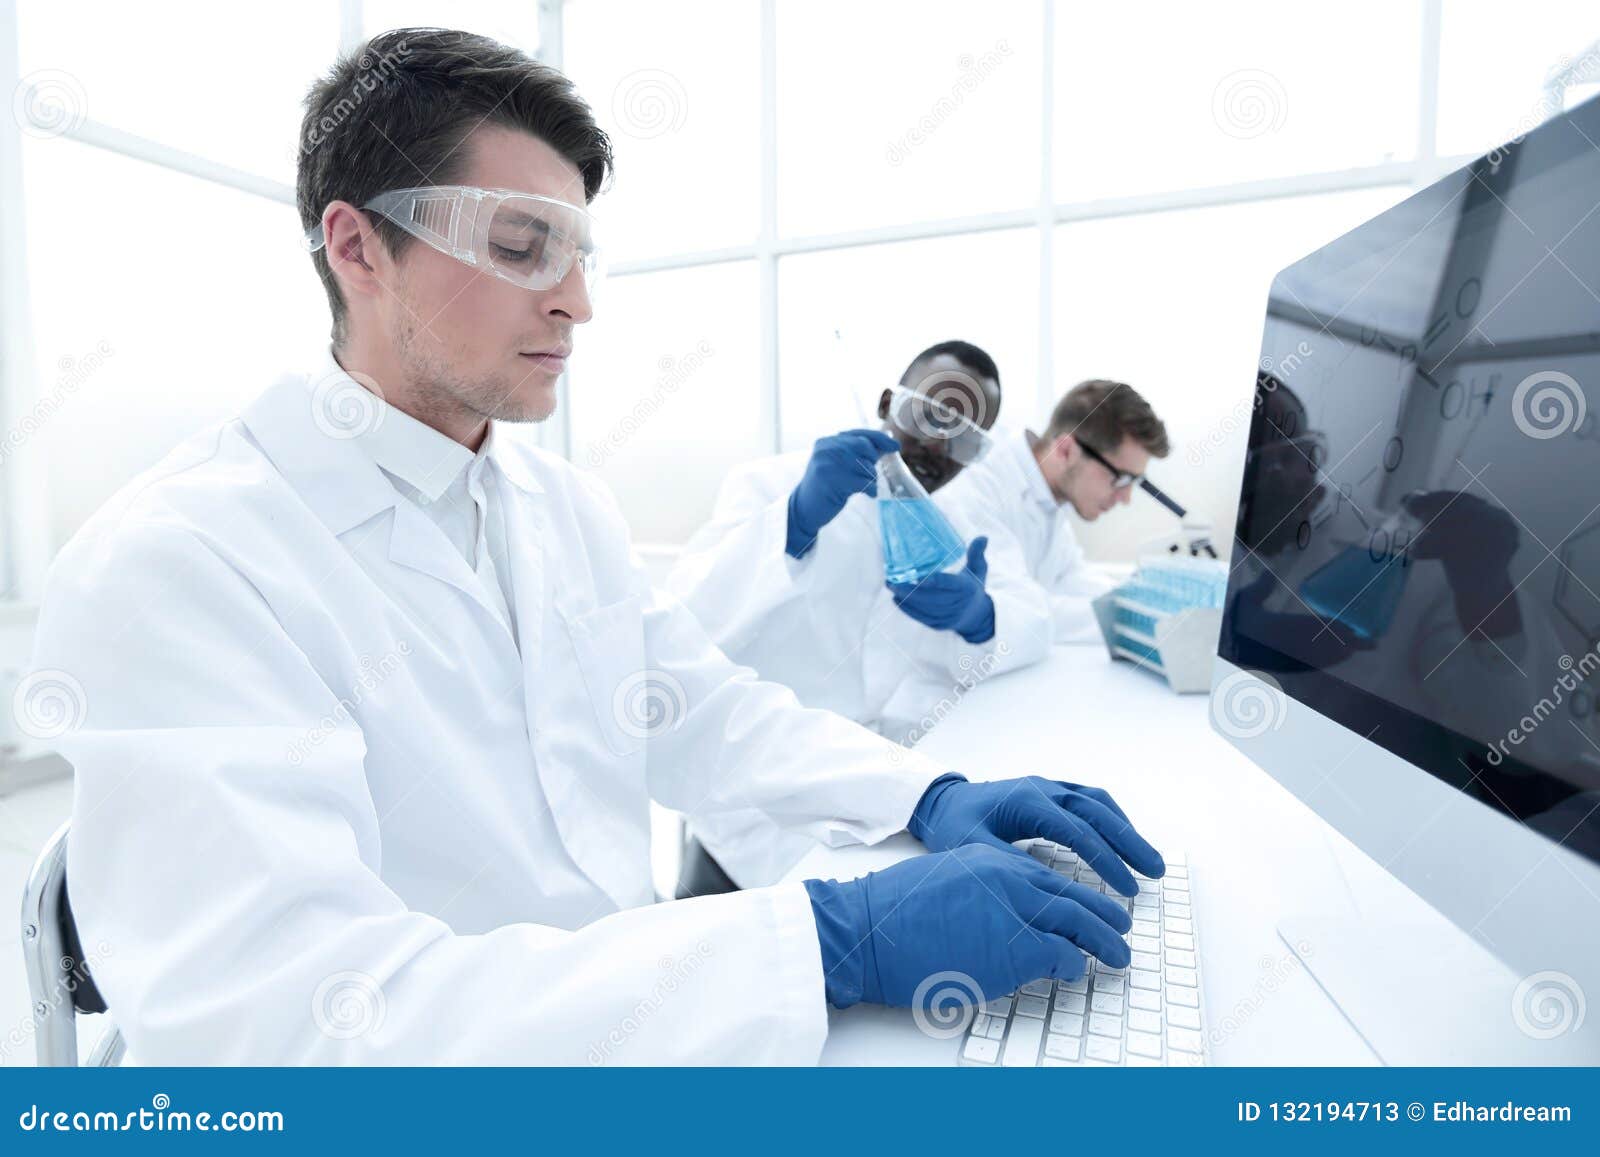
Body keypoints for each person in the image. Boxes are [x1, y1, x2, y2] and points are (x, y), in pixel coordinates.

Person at [27, 29, 1164, 1065]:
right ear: (358, 246)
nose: (576, 302)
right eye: (523, 246)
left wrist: (929, 790)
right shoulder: (179, 564)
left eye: (578, 253)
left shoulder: (554, 506)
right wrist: (821, 940)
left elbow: (700, 707)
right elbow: (305, 1024)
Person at [666, 343, 1058, 892]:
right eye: (932, 415)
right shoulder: (770, 486)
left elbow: (1035, 620)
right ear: (886, 403)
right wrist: (794, 523)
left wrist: (980, 617)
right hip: (753, 811)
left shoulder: (959, 519)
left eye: (967, 438)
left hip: (873, 790)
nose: (941, 445)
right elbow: (682, 620)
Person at [938, 379, 1171, 644]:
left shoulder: (1051, 493)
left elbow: (1069, 575)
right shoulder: (983, 486)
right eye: (1120, 478)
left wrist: (1140, 602)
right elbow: (1014, 611)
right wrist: (1138, 622)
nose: (1125, 498)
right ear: (1065, 450)